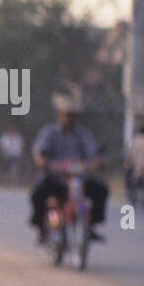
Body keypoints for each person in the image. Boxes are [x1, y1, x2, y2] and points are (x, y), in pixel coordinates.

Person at [29, 89, 108, 243]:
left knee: (101, 190)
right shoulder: (50, 132)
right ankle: (41, 227)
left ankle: (90, 226)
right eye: (67, 114)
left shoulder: (83, 134)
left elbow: (92, 153)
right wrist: (42, 161)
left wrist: (97, 162)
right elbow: (40, 151)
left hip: (79, 177)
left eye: (74, 115)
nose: (70, 118)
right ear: (61, 115)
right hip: (55, 177)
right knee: (38, 192)